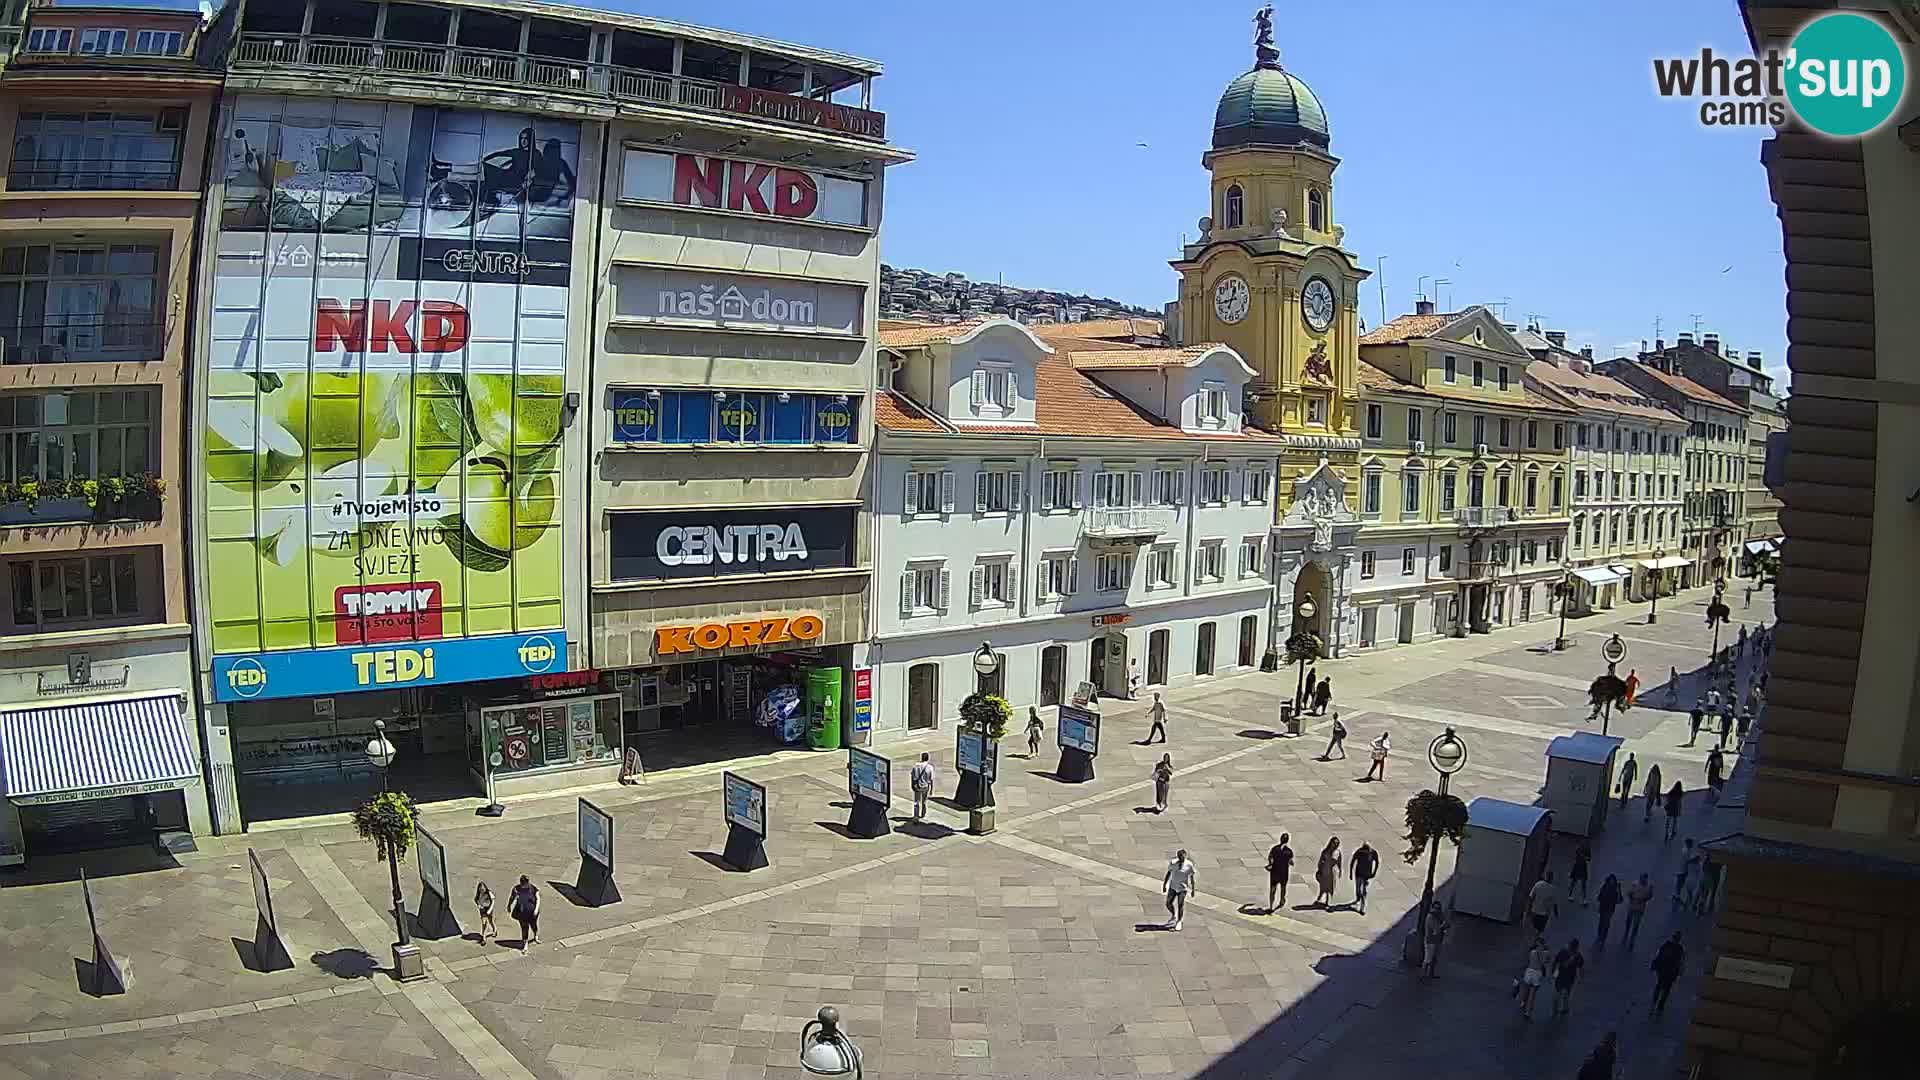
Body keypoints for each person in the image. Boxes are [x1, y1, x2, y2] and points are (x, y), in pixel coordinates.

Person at [1651, 931, 1687, 1014]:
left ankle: (1655, 1001)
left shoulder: (1666, 945)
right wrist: (1680, 972)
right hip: (1671, 972)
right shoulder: (1680, 949)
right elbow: (1681, 962)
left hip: (1664, 970)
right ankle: (1660, 1005)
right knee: (1666, 989)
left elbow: (1659, 954)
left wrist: (1655, 964)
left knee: (1659, 985)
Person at [1517, 935, 1551, 1018]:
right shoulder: (1546, 953)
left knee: (1525, 989)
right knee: (1532, 994)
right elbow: (1546, 964)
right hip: (1537, 973)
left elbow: (1527, 961)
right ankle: (1528, 1012)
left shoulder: (1531, 951)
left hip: (1529, 971)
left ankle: (1523, 1002)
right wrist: (1548, 976)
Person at [1551, 938, 1585, 1017]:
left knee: (1558, 993)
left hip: (1562, 976)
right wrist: (1580, 977)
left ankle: (1557, 1009)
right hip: (1569, 977)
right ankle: (1564, 1008)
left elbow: (1556, 961)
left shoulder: (1564, 952)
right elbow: (1580, 967)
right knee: (1565, 993)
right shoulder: (1577, 955)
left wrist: (1552, 972)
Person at [1162, 849, 1195, 930]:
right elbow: (1169, 873)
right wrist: (1165, 884)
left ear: (1185, 856)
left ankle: (1179, 921)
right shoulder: (1173, 863)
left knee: (1180, 905)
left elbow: (1192, 877)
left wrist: (1193, 889)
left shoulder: (1189, 865)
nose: (1181, 859)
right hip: (1173, 886)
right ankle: (1174, 915)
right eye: (1180, 857)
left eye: (1183, 857)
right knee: (1168, 903)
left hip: (1182, 888)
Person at [509, 874, 540, 948]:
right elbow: (512, 897)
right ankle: (525, 944)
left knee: (533, 925)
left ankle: (535, 935)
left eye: (526, 883)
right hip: (521, 912)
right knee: (524, 928)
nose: (526, 885)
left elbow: (538, 898)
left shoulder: (532, 888)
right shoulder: (516, 889)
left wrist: (536, 909)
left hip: (532, 912)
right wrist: (509, 905)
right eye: (524, 883)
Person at [1265, 833, 1294, 914]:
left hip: (1274, 872)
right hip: (1283, 873)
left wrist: (1270, 864)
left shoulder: (1275, 849)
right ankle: (1282, 900)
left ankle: (1271, 906)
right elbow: (1291, 862)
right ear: (1287, 841)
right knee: (1283, 888)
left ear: (1280, 839)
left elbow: (1270, 857)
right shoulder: (1289, 851)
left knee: (1272, 889)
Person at [1624, 873, 1654, 948]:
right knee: (1629, 921)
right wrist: (1632, 897)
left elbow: (1649, 897)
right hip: (1632, 906)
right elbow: (1629, 893)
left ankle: (1633, 937)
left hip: (1640, 908)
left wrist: (1646, 897)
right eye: (1642, 878)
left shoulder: (1648, 887)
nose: (1643, 879)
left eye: (1645, 878)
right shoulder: (1635, 884)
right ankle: (1626, 932)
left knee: (1636, 923)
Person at [1420, 901, 1448, 979]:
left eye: (1438, 908)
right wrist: (1443, 925)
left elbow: (1447, 924)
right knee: (1428, 959)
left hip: (1438, 940)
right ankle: (1423, 975)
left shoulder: (1439, 915)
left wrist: (1444, 925)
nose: (1437, 910)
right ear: (1432, 908)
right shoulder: (1431, 917)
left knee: (1434, 958)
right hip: (1430, 941)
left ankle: (1430, 974)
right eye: (1435, 908)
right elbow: (1436, 930)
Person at [1349, 841, 1379, 915]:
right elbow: (1353, 861)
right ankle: (1358, 898)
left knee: (1364, 892)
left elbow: (1377, 862)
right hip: (1358, 874)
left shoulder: (1373, 852)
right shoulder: (1359, 852)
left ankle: (1362, 908)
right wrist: (1350, 873)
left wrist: (1374, 872)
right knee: (1358, 888)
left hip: (1366, 876)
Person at [1526, 870, 1558, 935]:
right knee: (1540, 929)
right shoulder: (1553, 889)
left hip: (1534, 910)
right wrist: (1556, 913)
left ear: (1545, 876)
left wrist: (1527, 910)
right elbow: (1554, 903)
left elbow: (1531, 897)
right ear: (1552, 878)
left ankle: (1533, 938)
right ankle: (1536, 937)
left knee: (1533, 927)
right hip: (1544, 914)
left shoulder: (1538, 884)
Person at [1313, 837, 1342, 908]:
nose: (1336, 844)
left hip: (1333, 872)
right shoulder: (1325, 851)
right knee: (1323, 886)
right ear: (1331, 843)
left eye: (1337, 843)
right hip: (1325, 870)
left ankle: (1327, 902)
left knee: (1330, 887)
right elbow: (1321, 861)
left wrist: (1340, 870)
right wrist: (1319, 869)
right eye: (1334, 843)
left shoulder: (1337, 852)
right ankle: (1319, 899)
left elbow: (1339, 862)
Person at [1594, 873, 1622, 945]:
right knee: (1601, 922)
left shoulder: (1616, 889)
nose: (1611, 882)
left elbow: (1619, 900)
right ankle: (1599, 935)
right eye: (1611, 880)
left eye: (1613, 880)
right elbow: (1600, 895)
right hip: (1603, 908)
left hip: (1609, 910)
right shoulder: (1605, 886)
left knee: (1606, 924)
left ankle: (1603, 938)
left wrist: (1619, 890)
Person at [1674, 839, 1701, 905]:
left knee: (1681, 883)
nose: (1692, 845)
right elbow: (1688, 861)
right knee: (1680, 883)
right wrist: (1695, 858)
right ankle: (1677, 896)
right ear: (1688, 843)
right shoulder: (1685, 851)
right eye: (1691, 843)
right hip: (1682, 870)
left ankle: (1678, 896)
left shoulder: (1688, 850)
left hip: (1683, 870)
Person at [909, 753, 935, 821]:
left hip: (917, 786)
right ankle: (923, 814)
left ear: (921, 758)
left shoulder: (916, 766)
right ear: (928, 758)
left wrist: (912, 785)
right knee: (924, 801)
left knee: (916, 802)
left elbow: (912, 776)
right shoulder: (930, 767)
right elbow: (931, 779)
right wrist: (931, 789)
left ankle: (916, 816)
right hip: (925, 786)